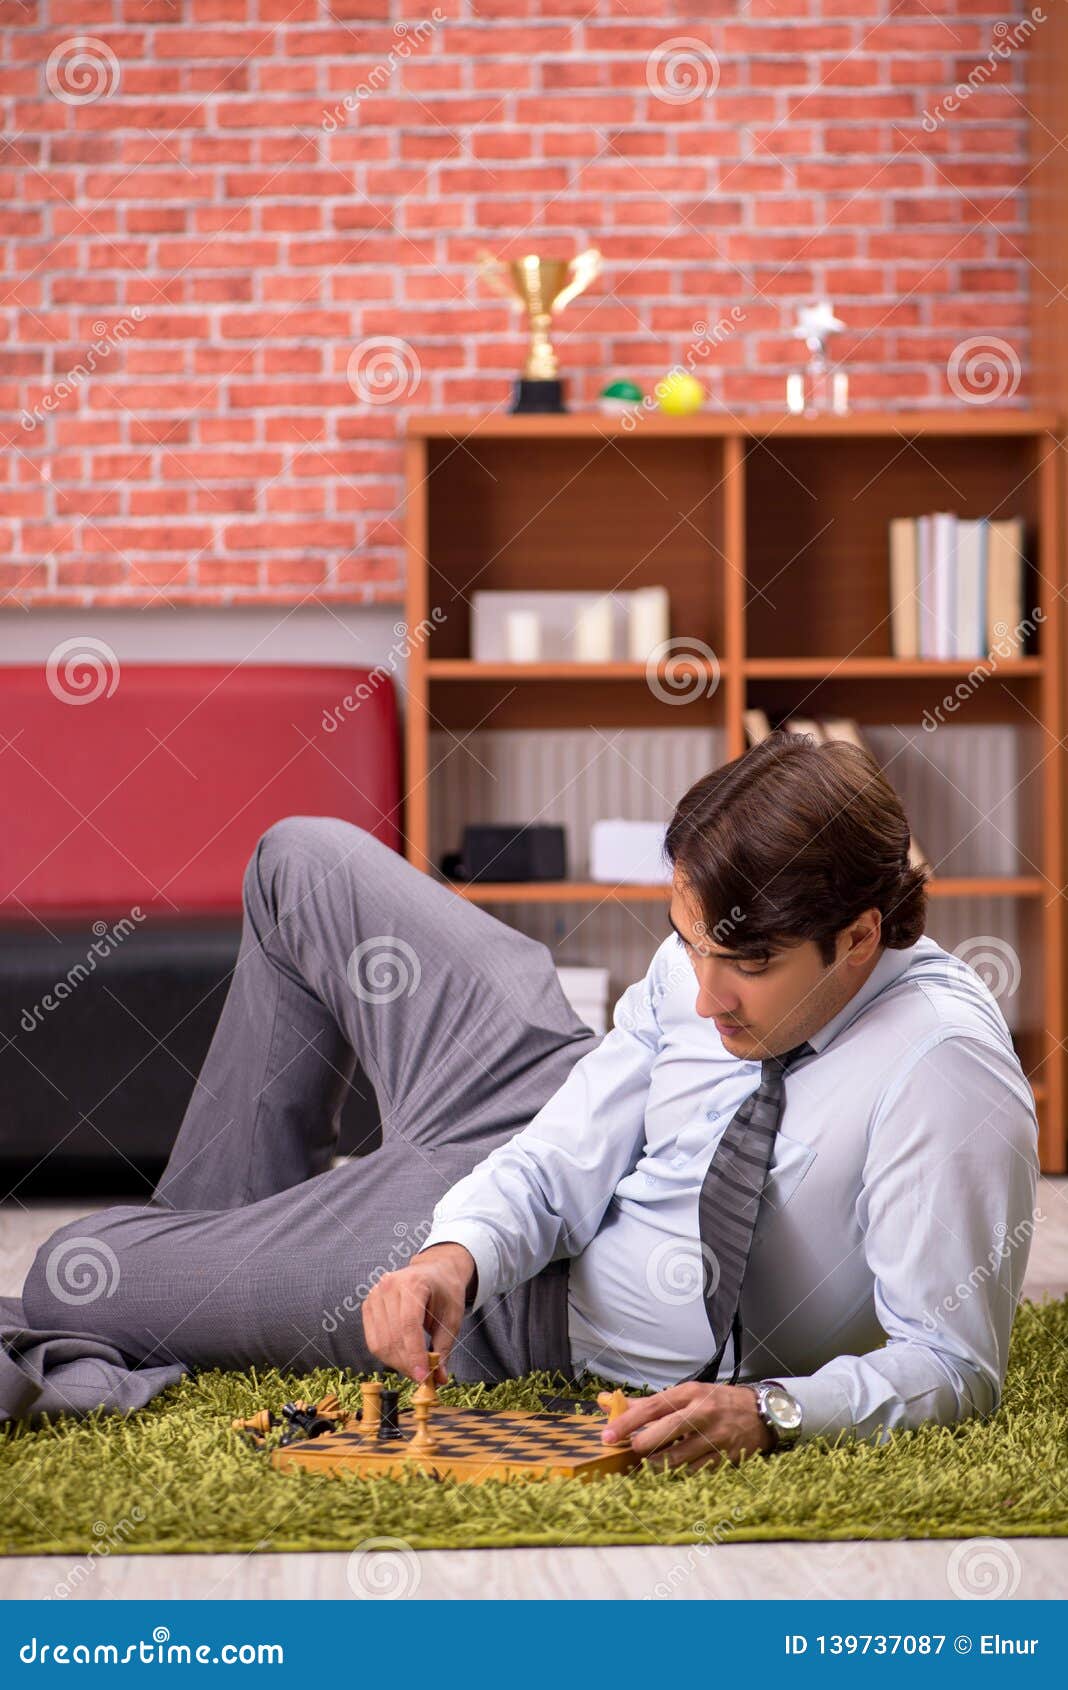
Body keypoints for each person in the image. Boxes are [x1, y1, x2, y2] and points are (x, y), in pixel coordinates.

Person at [4, 733, 1038, 1470]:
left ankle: (201, 1278)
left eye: (748, 966)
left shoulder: (941, 1074)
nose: (704, 993)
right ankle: (221, 1271)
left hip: (534, 1303)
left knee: (78, 1277)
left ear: (859, 937)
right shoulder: (714, 957)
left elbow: (951, 1363)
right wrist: (449, 1255)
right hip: (535, 1105)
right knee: (300, 860)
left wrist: (772, 1410)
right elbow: (564, 1143)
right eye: (687, 944)